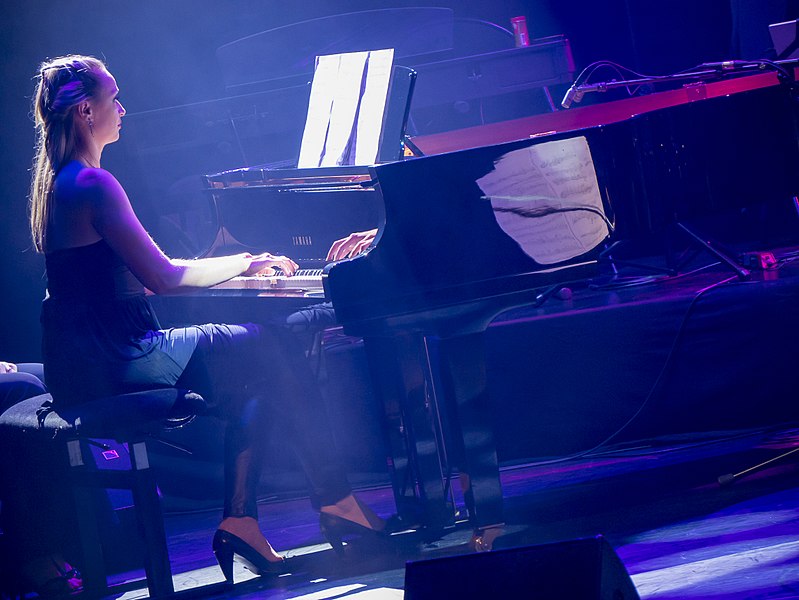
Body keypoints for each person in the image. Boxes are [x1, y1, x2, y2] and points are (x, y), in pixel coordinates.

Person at [25, 54, 387, 588]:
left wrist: (231, 264)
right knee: (277, 345)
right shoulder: (93, 184)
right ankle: (326, 500)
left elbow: (143, 278)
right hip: (121, 355)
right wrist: (246, 262)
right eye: (113, 98)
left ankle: (259, 516)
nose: (122, 109)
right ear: (85, 110)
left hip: (87, 357)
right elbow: (166, 280)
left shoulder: (61, 184)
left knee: (262, 368)